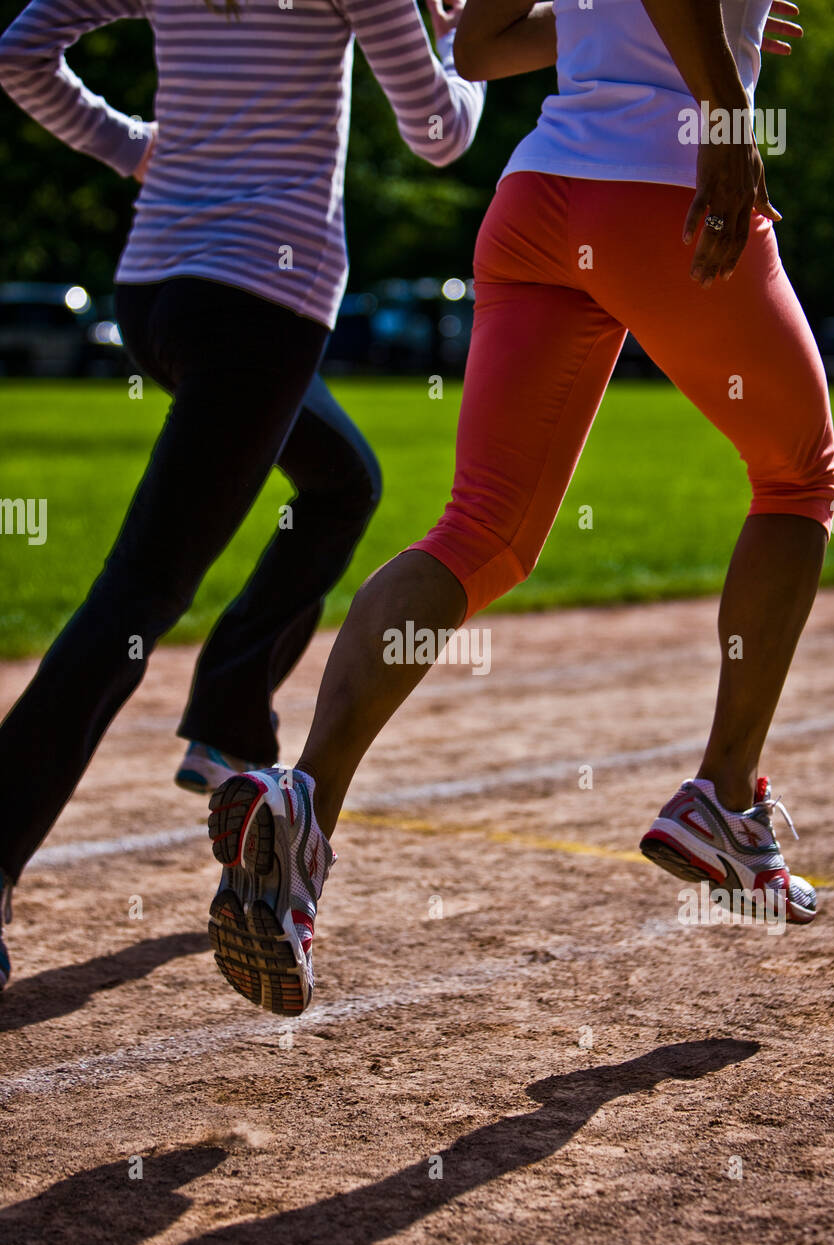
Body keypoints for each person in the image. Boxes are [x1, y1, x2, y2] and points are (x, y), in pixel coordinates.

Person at [200, 0, 834, 1017]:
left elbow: (484, 42)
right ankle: (724, 793)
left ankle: (302, 805)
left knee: (479, 534)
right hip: (658, 185)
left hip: (541, 198)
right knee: (798, 477)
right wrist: (725, 116)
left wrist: (641, 33)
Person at [0, 0, 485, 990]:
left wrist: (138, 151)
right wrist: (455, 40)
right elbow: (438, 134)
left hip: (157, 294)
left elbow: (20, 54)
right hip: (262, 306)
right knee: (137, 596)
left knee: (342, 480)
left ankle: (229, 719)